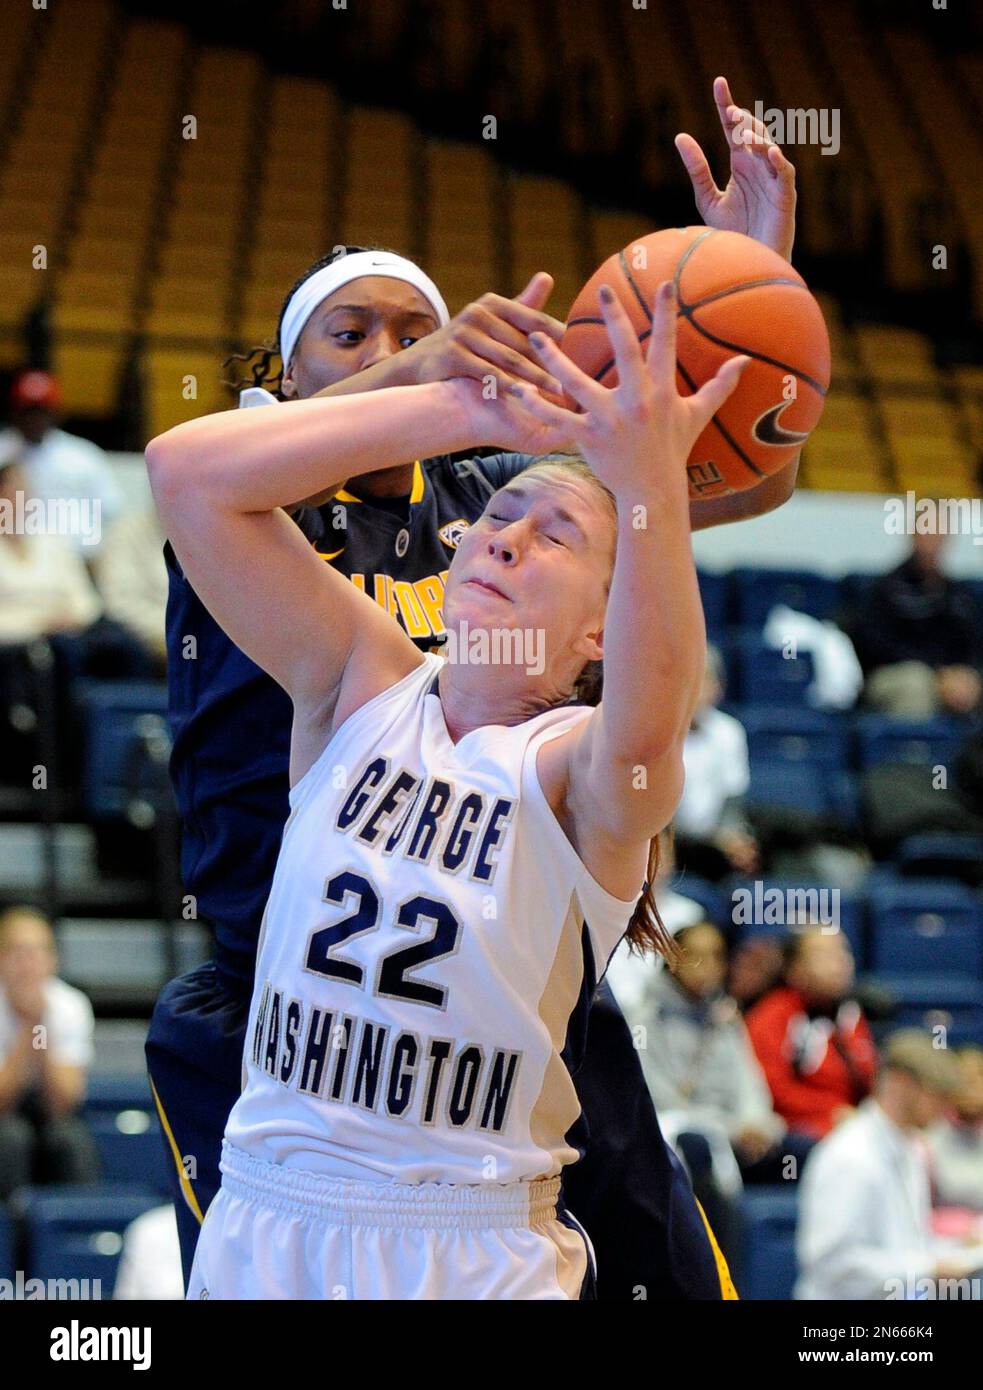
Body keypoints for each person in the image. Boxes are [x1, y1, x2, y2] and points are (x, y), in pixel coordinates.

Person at [147, 271, 748, 1298]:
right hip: (271, 1212)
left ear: (603, 624)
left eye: (551, 534)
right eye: (498, 514)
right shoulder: (359, 680)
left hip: (463, 1242)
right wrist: (456, 400)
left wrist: (651, 486)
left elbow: (656, 689)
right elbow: (182, 472)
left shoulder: (579, 775)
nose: (503, 533)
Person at [796, 1030, 983, 1300]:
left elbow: (908, 1248)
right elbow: (833, 1268)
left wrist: (958, 1250)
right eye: (938, 1095)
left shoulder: (911, 1149)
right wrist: (930, 1268)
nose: (945, 1107)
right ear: (902, 1084)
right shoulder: (850, 1155)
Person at [0, 906, 99, 1199]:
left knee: (70, 1139)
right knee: (10, 1137)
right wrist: (27, 1027)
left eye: (38, 952)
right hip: (6, 1116)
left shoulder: (70, 1005)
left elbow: (62, 1103)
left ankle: (81, 1232)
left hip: (49, 1110)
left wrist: (39, 1023)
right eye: (18, 952)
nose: (28, 964)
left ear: (53, 960)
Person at [745, 926, 877, 1140]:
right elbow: (773, 1092)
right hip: (798, 1128)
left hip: (851, 1123)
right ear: (794, 968)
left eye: (843, 951)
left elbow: (868, 1078)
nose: (840, 963)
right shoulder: (771, 1016)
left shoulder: (850, 1014)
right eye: (824, 955)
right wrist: (832, 1112)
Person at [849, 532, 983, 718]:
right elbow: (874, 646)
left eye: (938, 535)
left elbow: (972, 645)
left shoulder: (957, 595)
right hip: (894, 674)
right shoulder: (885, 590)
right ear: (913, 536)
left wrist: (966, 674)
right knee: (915, 683)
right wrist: (937, 673)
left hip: (951, 677)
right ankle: (915, 747)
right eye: (927, 535)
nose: (931, 543)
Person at [0, 369, 122, 554]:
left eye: (41, 411)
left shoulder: (83, 455)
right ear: (14, 412)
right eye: (28, 411)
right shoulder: (3, 451)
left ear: (56, 413)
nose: (34, 419)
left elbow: (111, 511)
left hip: (78, 558)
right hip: (13, 559)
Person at [673, 645, 759, 881]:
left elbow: (732, 798)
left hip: (713, 843)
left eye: (705, 681)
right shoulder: (656, 734)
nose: (698, 690)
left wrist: (728, 838)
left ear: (718, 688)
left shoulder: (729, 731)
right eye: (690, 680)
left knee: (744, 853)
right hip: (669, 840)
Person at [927, 1045, 983, 1218]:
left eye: (975, 1079)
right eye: (962, 1079)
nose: (968, 1087)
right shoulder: (926, 1139)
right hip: (943, 1241)